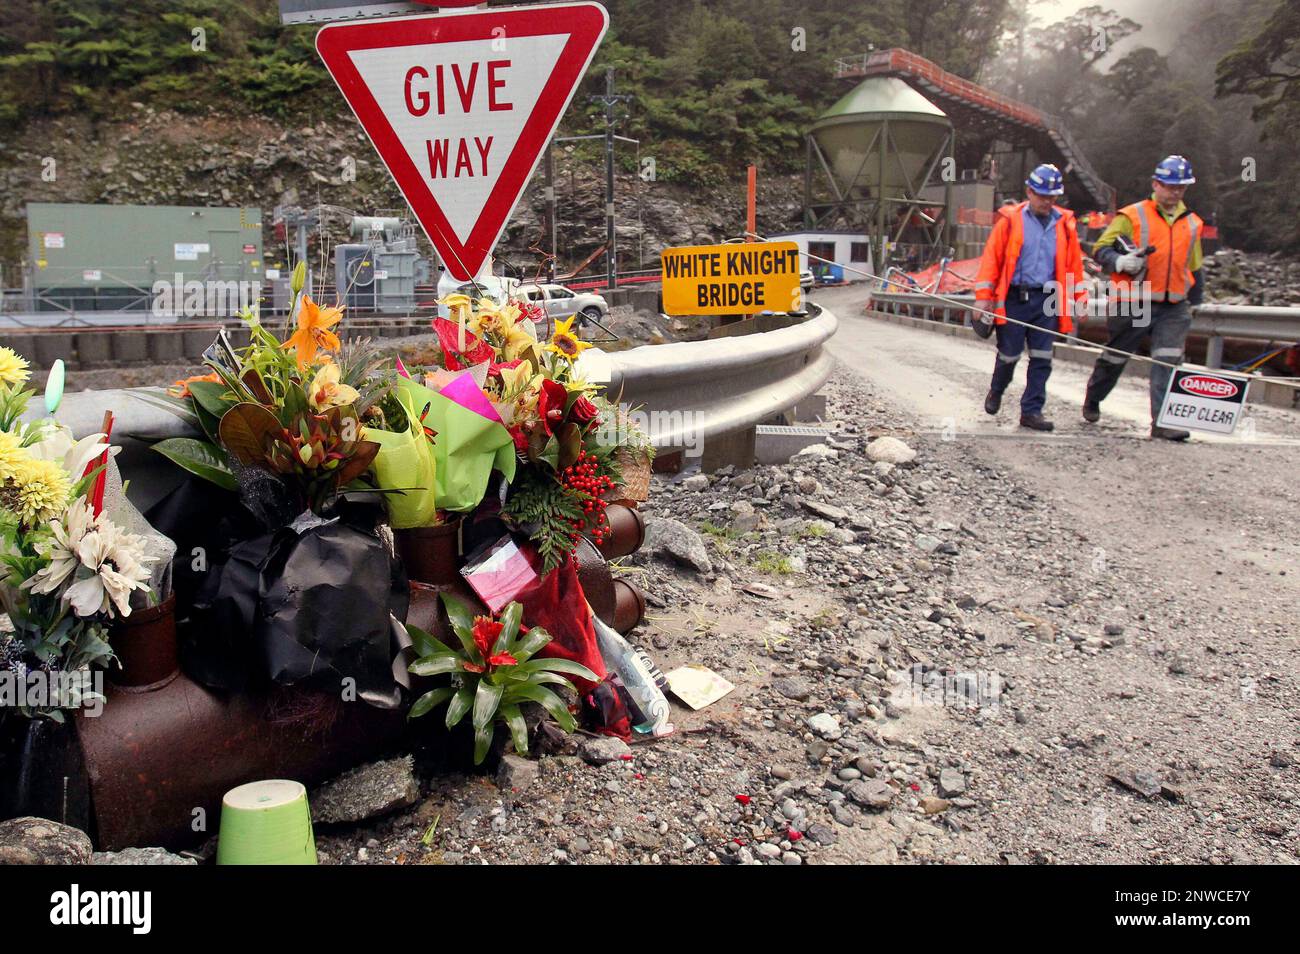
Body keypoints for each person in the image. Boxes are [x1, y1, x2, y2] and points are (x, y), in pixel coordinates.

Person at [1083, 155, 1205, 441]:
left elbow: (1195, 265)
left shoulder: (1193, 223)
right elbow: (1100, 248)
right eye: (1170, 186)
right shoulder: (1132, 216)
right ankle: (1094, 396)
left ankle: (1162, 422)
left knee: (1168, 360)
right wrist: (1120, 262)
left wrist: (1196, 298)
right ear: (1156, 184)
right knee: (1116, 357)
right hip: (1134, 302)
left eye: (1181, 188)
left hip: (1174, 305)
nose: (1175, 193)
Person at [974, 163, 1086, 431]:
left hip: (1047, 299)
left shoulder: (1064, 225)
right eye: (1041, 195)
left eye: (1052, 197)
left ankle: (1032, 411)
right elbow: (992, 260)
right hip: (1014, 298)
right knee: (1009, 355)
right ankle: (997, 390)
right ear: (1029, 192)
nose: (1047, 201)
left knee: (1042, 357)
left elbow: (1073, 266)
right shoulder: (1010, 222)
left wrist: (1079, 297)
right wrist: (983, 297)